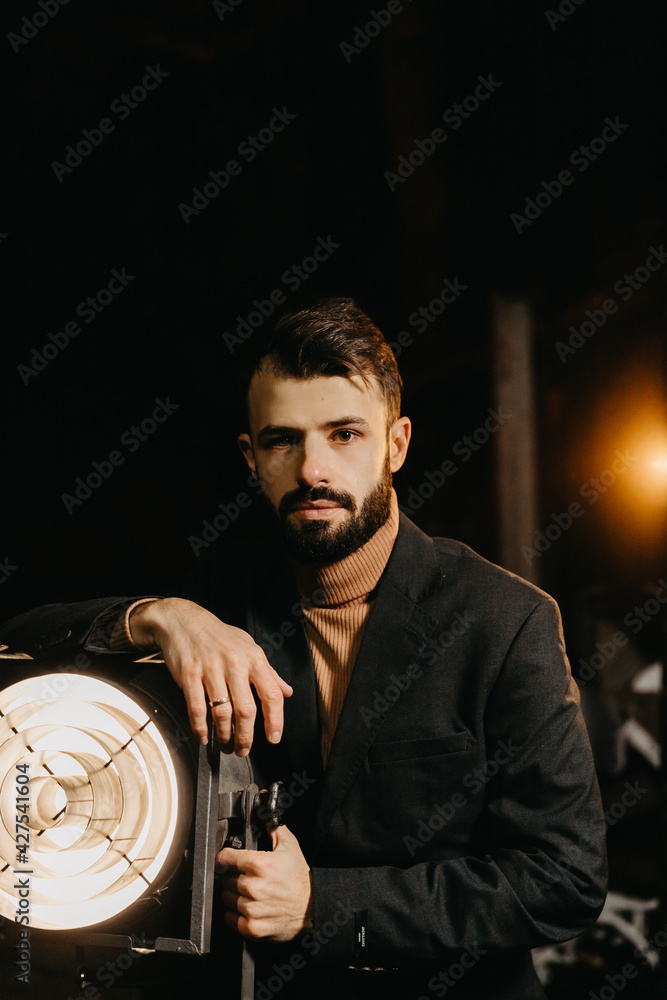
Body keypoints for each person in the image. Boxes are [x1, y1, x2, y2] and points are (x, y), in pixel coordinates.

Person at [1, 297, 607, 999]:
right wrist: (154, 615)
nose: (313, 470)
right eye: (283, 440)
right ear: (250, 456)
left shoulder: (505, 620)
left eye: (344, 434)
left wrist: (323, 905)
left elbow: (563, 879)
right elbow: (19, 646)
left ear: (397, 444)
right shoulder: (219, 596)